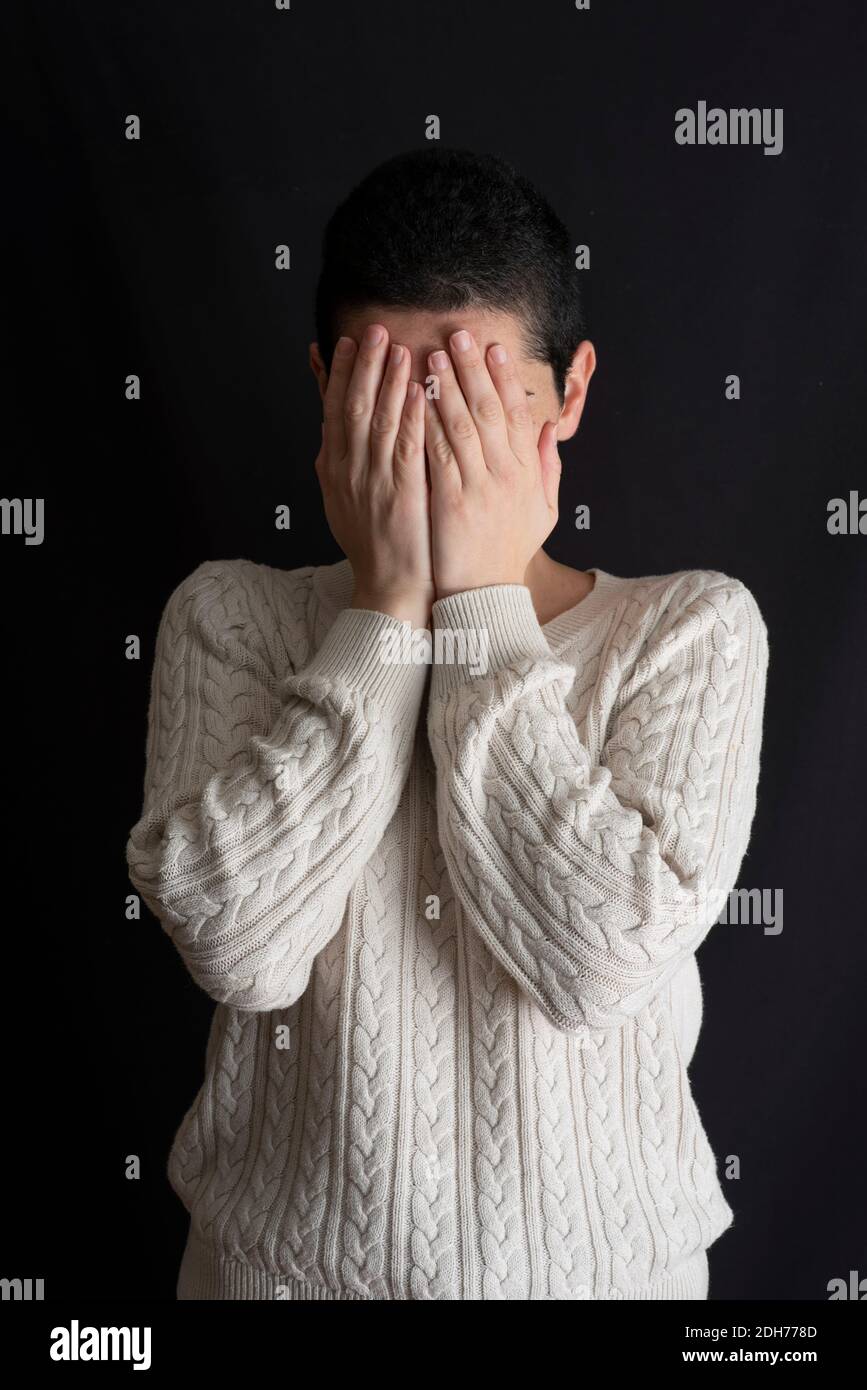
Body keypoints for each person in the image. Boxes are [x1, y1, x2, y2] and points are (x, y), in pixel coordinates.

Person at [126, 147, 769, 1301]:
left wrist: (475, 606)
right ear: (326, 386)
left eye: (476, 404)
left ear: (569, 393)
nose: (433, 447)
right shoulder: (230, 618)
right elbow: (241, 947)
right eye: (384, 398)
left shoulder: (690, 632)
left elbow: (600, 964)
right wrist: (385, 616)